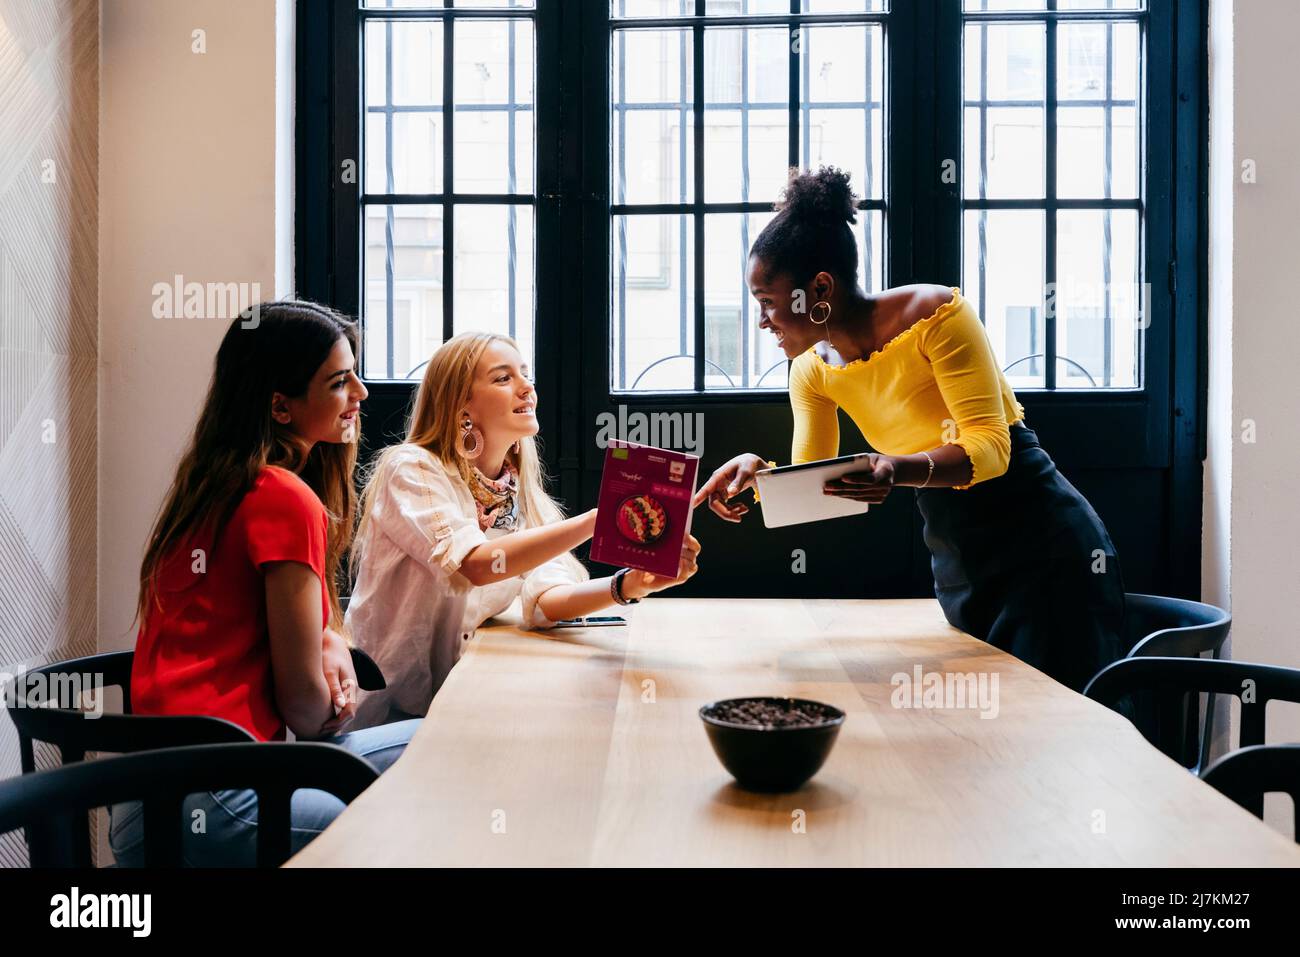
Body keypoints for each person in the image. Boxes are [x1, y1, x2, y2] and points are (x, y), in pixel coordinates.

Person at [692, 167, 1127, 694]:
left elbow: (991, 449)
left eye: (767, 300)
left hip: (1043, 543)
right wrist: (757, 480)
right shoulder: (812, 370)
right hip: (958, 557)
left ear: (820, 287)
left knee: (1061, 732)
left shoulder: (935, 314)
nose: (762, 320)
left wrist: (897, 470)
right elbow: (817, 489)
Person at [109, 301, 420, 867]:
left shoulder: (210, 484)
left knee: (440, 749)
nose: (362, 393)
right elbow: (306, 713)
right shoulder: (284, 497)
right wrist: (334, 699)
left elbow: (280, 630)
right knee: (435, 798)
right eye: (338, 381)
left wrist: (328, 639)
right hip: (220, 800)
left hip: (144, 803)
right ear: (281, 407)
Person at [347, 331, 700, 727]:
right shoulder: (413, 470)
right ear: (461, 405)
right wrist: (595, 521)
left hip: (460, 703)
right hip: (392, 715)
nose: (527, 388)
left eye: (526, 375)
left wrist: (630, 585)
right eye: (503, 378)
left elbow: (547, 599)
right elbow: (476, 567)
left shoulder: (525, 499)